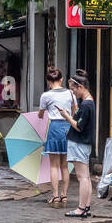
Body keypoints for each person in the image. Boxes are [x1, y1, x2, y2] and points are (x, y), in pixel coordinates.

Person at [58, 69, 96, 218]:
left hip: (79, 143)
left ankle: (81, 208)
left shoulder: (86, 105)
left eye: (74, 89)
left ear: (80, 87)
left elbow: (79, 126)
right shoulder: (89, 102)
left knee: (82, 177)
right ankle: (86, 206)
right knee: (85, 176)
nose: (73, 93)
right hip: (84, 143)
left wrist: (66, 116)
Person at [38, 66, 75, 204]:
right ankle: (64, 195)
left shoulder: (46, 95)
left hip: (54, 128)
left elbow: (41, 113)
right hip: (68, 127)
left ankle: (55, 195)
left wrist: (41, 113)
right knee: (65, 165)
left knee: (54, 165)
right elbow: (74, 109)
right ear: (61, 79)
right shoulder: (70, 93)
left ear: (49, 81)